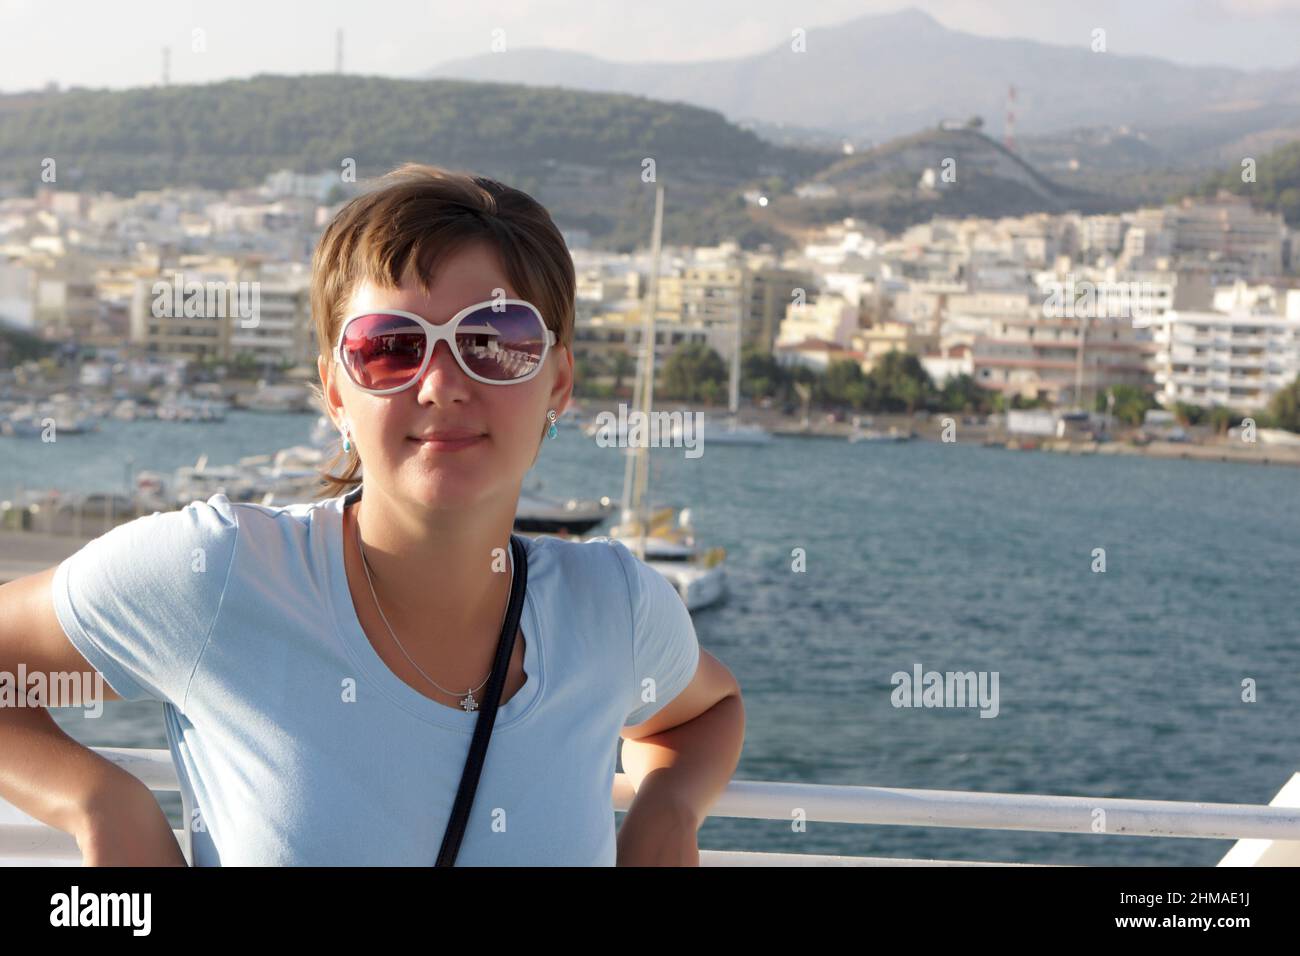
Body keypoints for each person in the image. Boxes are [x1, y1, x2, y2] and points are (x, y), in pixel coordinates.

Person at [0, 164, 745, 866]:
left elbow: (700, 713)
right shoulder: (220, 575)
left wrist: (670, 809)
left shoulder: (610, 607)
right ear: (334, 392)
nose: (442, 385)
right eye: (392, 348)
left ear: (557, 382)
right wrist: (100, 801)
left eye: (494, 340)